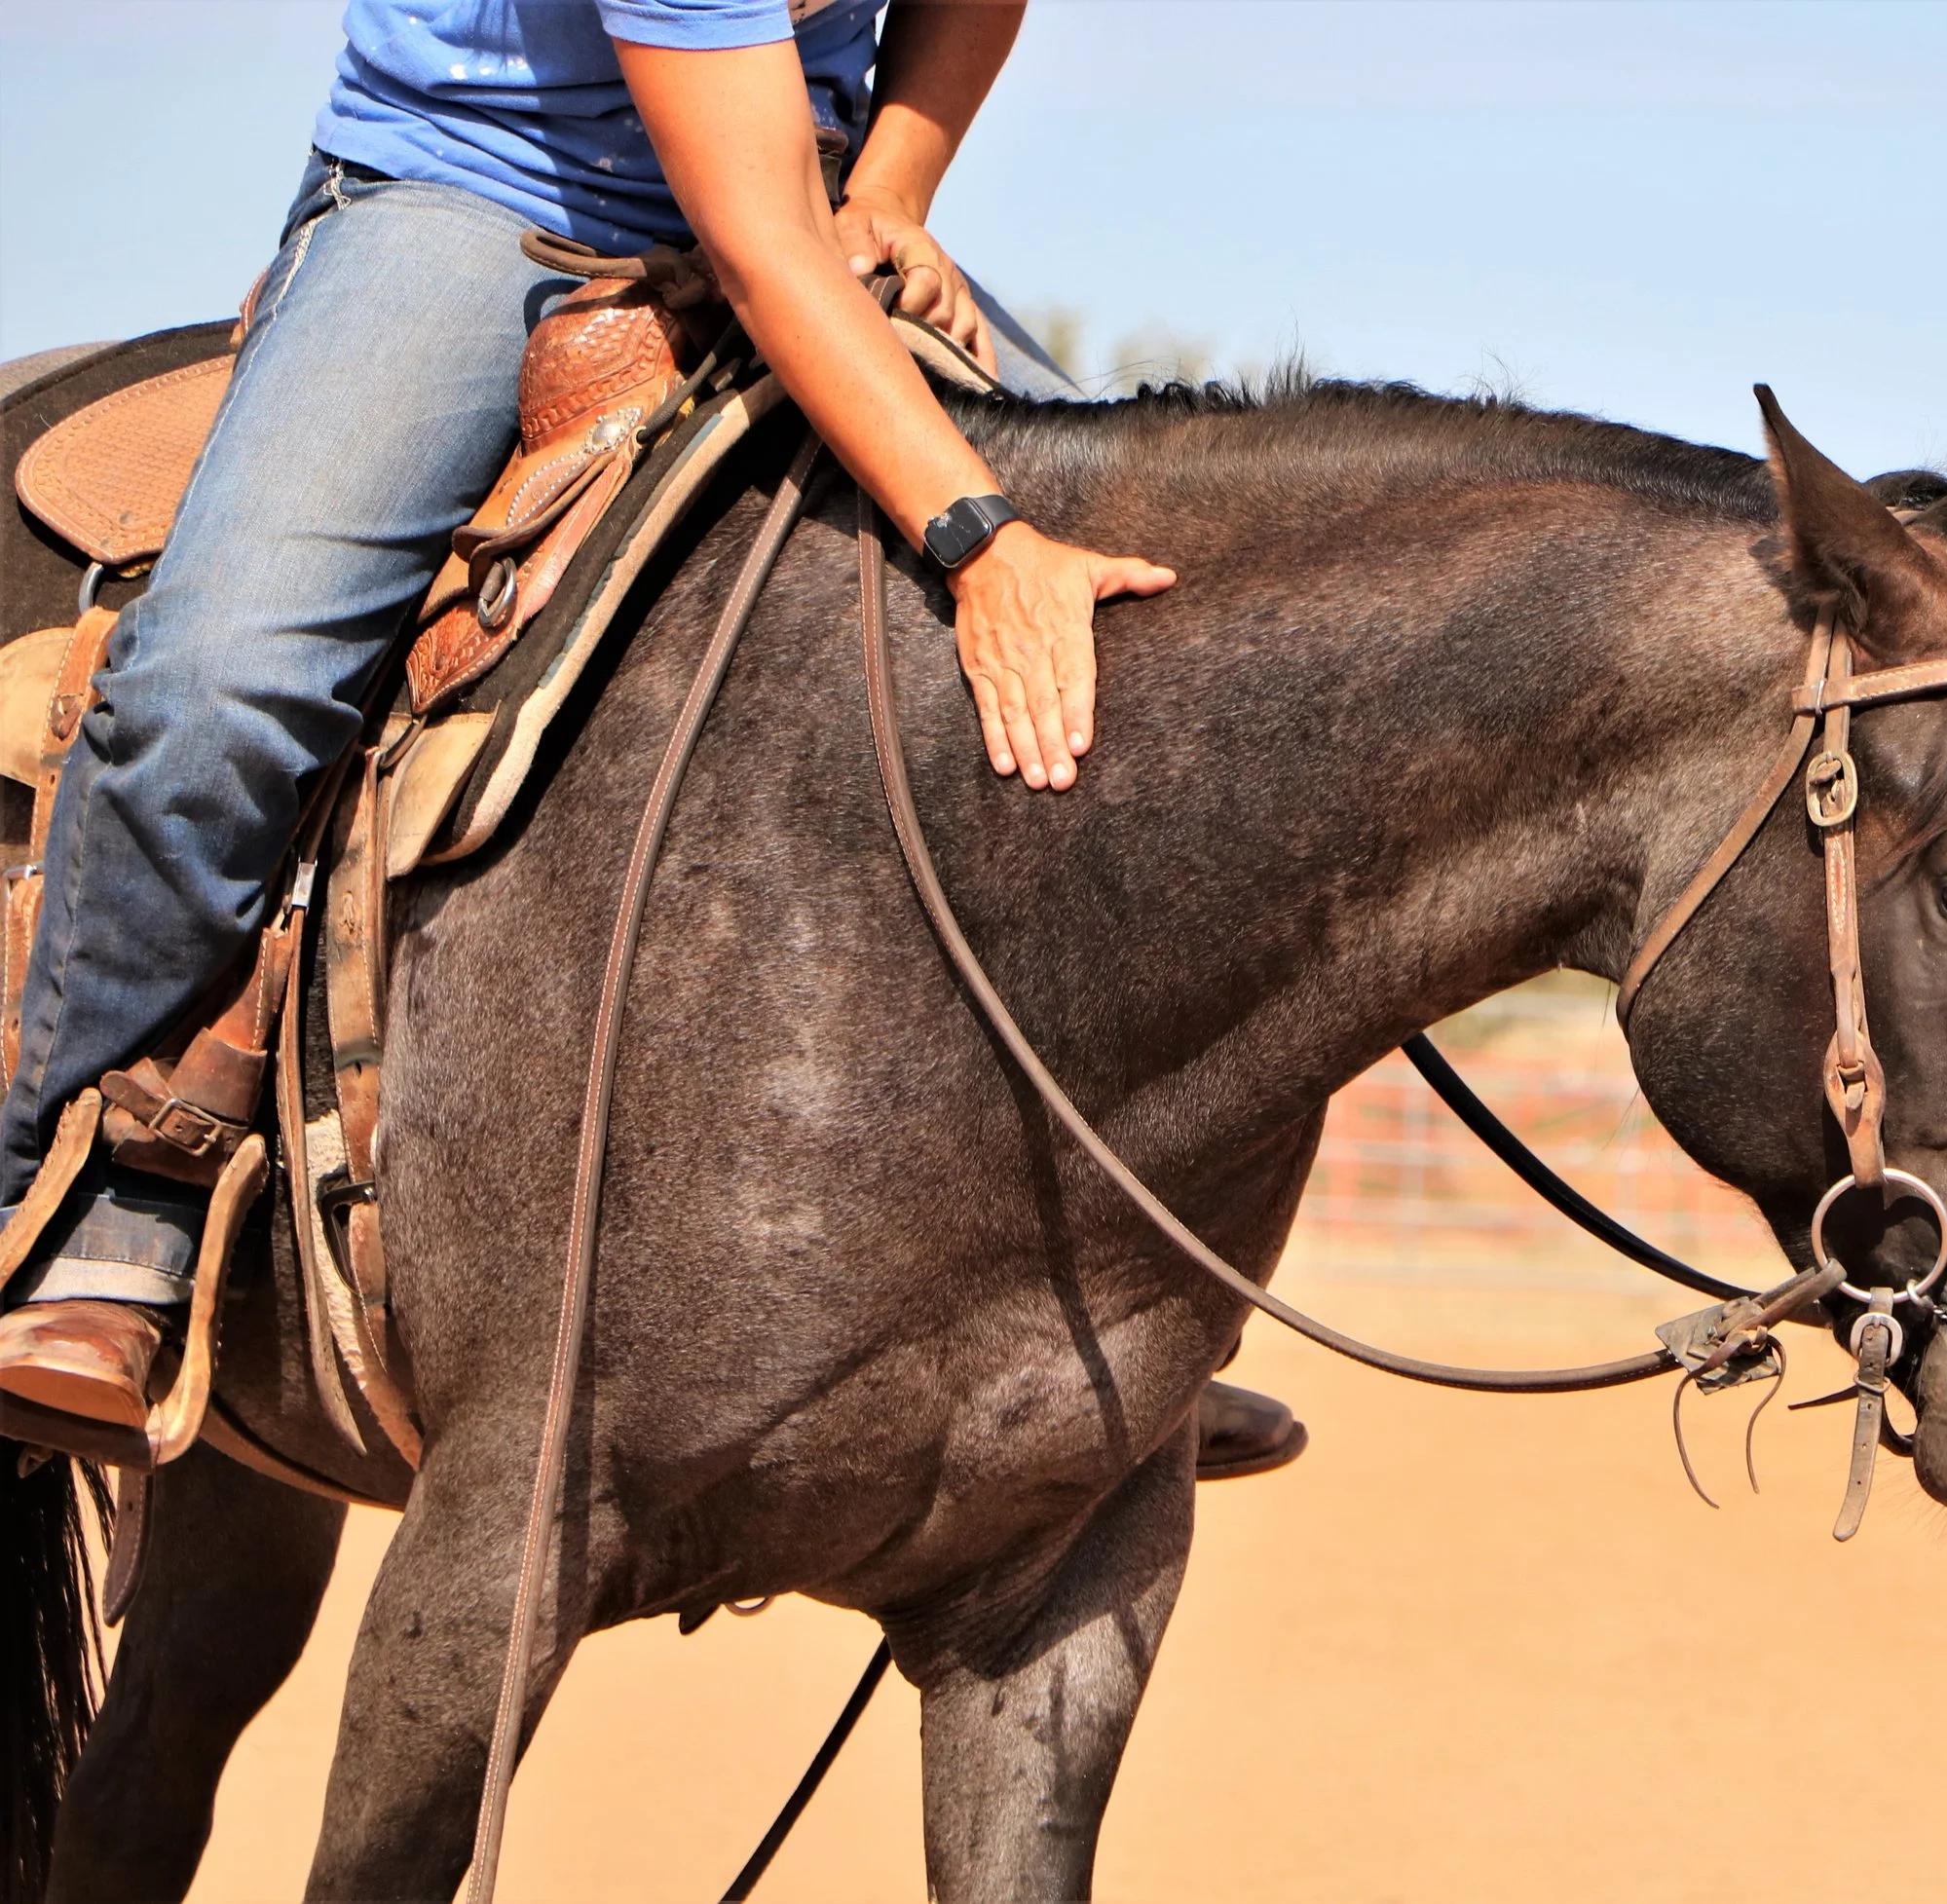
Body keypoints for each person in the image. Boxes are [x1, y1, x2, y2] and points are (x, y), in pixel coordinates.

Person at [0, 0, 1303, 1476]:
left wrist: (891, 189)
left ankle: (1109, 1314)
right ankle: (89, 1192)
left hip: (799, 183)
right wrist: (978, 532)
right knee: (223, 682)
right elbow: (754, 248)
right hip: (484, 198)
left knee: (1155, 649)